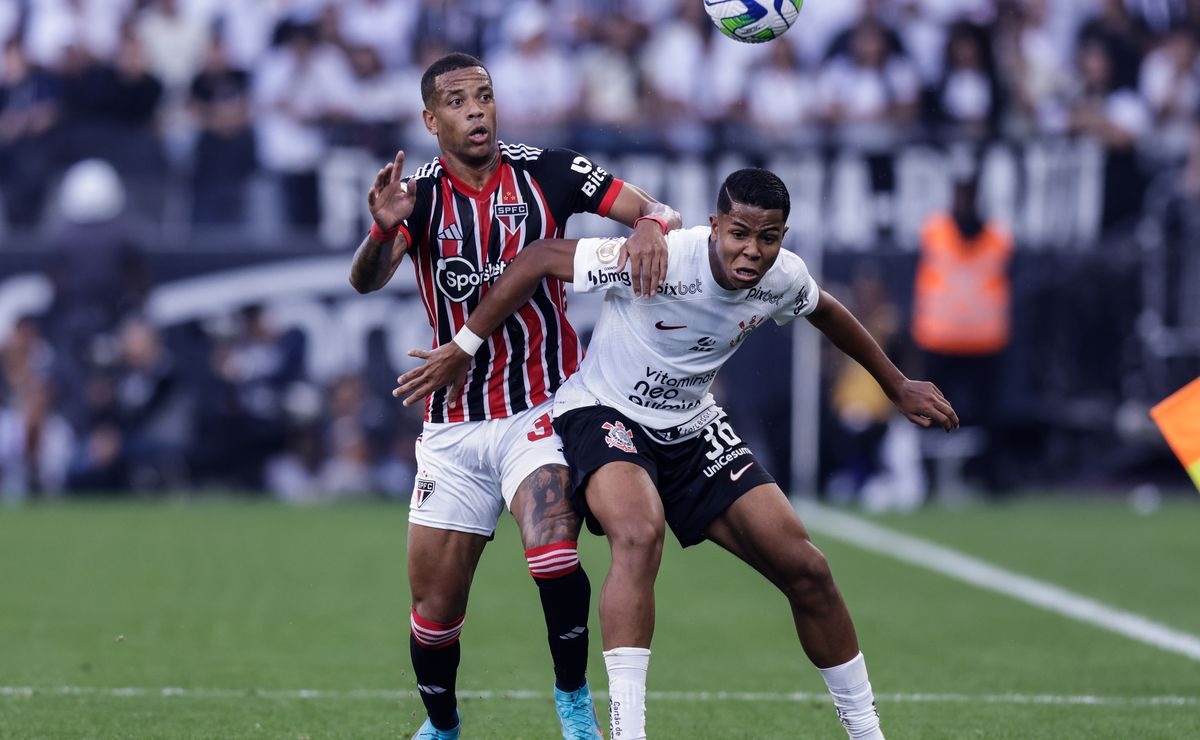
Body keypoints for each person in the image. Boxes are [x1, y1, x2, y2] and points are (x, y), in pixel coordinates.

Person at [394, 168, 959, 739]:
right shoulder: (659, 257)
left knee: (807, 569)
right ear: (714, 226)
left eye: (769, 238)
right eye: (739, 233)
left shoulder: (782, 277)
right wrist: (465, 345)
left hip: (691, 426)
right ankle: (628, 733)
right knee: (639, 532)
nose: (753, 250)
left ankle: (867, 734)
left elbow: (827, 310)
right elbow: (540, 255)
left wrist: (896, 384)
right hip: (603, 413)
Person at [348, 52, 679, 740]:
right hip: (453, 427)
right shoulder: (421, 195)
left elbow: (650, 208)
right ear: (430, 118)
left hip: (542, 406)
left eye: (485, 96)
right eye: (459, 101)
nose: (476, 110)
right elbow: (367, 280)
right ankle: (442, 726)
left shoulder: (548, 171)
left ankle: (574, 707)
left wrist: (649, 224)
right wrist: (381, 231)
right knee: (434, 612)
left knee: (553, 554)